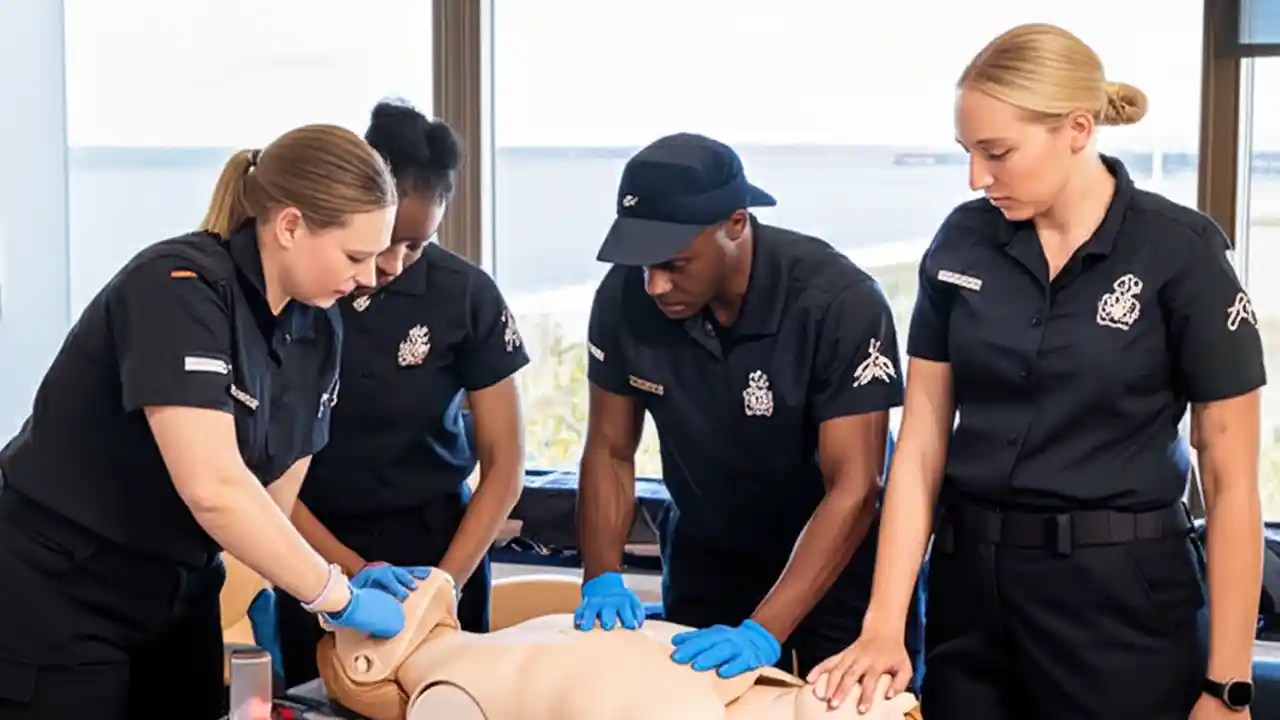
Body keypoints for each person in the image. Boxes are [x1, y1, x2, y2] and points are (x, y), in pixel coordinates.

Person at [809, 23, 1266, 720]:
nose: (976, 177)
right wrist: (884, 622)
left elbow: (1232, 482)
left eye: (998, 153)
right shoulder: (961, 242)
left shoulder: (1182, 254)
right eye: (968, 154)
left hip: (1120, 602)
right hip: (970, 590)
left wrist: (1228, 687)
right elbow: (923, 442)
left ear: (1078, 129)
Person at [0, 124, 413, 720]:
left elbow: (269, 507)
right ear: (290, 225)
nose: (371, 276)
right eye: (356, 256)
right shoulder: (177, 289)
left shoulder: (318, 328)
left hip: (178, 591)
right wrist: (334, 594)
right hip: (63, 588)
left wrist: (351, 577)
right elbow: (214, 488)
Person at [575, 132, 917, 680]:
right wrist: (601, 575)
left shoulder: (838, 303)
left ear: (736, 223)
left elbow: (856, 487)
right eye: (641, 264)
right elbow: (611, 450)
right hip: (707, 557)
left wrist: (764, 632)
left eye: (675, 263)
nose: (655, 285)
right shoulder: (624, 298)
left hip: (836, 567)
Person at [276, 100, 529, 688]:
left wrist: (445, 585)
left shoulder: (466, 295)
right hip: (311, 546)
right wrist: (347, 574)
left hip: (440, 541)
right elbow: (268, 474)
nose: (392, 263)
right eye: (384, 240)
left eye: (415, 245)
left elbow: (506, 463)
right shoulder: (307, 291)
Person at [315, 569, 924, 720]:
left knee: (838, 702)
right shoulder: (443, 692)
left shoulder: (515, 635)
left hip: (711, 682)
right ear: (368, 666)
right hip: (665, 702)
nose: (407, 587)